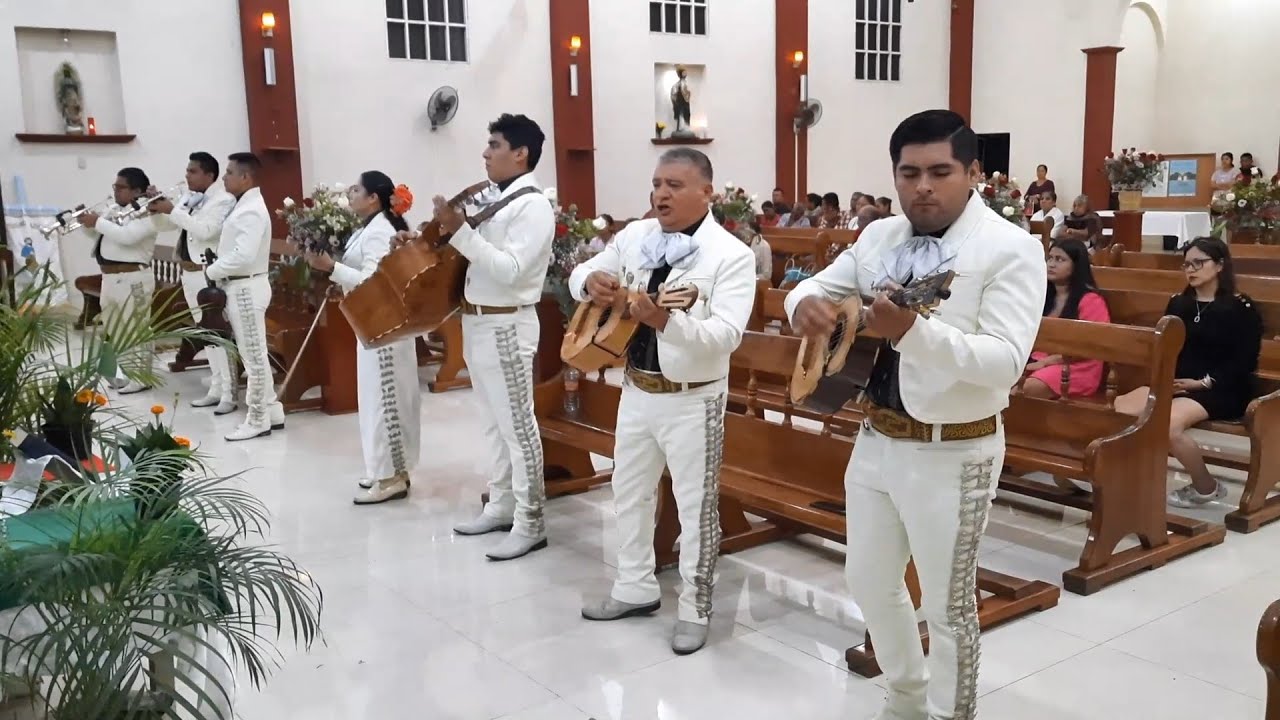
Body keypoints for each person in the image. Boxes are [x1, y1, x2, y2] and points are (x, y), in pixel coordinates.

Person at [786, 109, 1045, 720]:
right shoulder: (879, 237)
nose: (922, 186)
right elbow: (813, 285)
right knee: (869, 581)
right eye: (909, 173)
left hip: (956, 447)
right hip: (876, 436)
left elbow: (1005, 362)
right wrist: (801, 305)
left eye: (939, 171)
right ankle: (904, 700)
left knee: (950, 607)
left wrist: (912, 334)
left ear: (974, 172)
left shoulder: (1010, 249)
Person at [572, 147, 755, 655]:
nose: (661, 194)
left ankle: (696, 608)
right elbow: (582, 272)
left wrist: (663, 320)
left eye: (674, 184)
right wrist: (590, 280)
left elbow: (725, 337)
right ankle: (633, 587)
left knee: (695, 507)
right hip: (636, 388)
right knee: (628, 492)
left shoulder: (730, 255)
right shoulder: (636, 236)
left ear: (706, 192)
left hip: (692, 399)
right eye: (656, 183)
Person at [443, 113, 556, 562]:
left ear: (520, 153)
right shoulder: (500, 200)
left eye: (494, 145)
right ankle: (503, 504)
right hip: (479, 321)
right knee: (493, 424)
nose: (486, 153)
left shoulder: (533, 206)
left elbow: (510, 270)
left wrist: (462, 233)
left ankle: (531, 522)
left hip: (508, 324)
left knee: (518, 427)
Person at [1115, 237, 1262, 508]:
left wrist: (1202, 383)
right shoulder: (1179, 304)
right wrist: (1166, 381)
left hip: (1222, 388)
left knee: (1166, 425)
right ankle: (1130, 477)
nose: (1191, 270)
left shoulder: (1240, 308)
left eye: (1198, 263)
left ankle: (1207, 487)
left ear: (1219, 266)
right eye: (1186, 264)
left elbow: (1244, 361)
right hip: (1178, 383)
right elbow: (1167, 348)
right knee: (1122, 406)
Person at [305, 172, 421, 504]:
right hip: (372, 324)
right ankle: (385, 468)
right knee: (376, 401)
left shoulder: (380, 231)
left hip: (385, 326)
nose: (350, 194)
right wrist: (336, 273)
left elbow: (374, 283)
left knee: (386, 401)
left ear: (373, 198)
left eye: (356, 189)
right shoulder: (369, 228)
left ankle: (391, 477)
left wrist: (333, 268)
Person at [148, 152, 238, 413]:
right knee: (203, 331)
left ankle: (229, 392)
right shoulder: (190, 198)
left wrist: (172, 210)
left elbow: (205, 231)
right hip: (187, 273)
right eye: (187, 170)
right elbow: (167, 226)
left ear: (209, 175)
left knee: (217, 332)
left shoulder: (223, 200)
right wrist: (156, 208)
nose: (187, 175)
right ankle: (216, 387)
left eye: (193, 171)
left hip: (207, 272)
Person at [205, 152, 284, 442]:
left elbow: (244, 254)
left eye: (228, 172)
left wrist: (213, 269)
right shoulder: (244, 205)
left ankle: (258, 418)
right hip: (241, 287)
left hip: (247, 288)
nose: (223, 177)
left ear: (245, 177)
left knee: (253, 357)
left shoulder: (251, 211)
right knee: (255, 353)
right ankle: (273, 410)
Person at [81, 167, 164, 395]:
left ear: (136, 190)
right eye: (114, 186)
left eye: (121, 187)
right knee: (113, 327)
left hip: (133, 277)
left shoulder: (148, 212)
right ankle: (122, 374)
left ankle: (141, 376)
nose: (116, 191)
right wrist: (87, 223)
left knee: (136, 327)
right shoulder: (115, 209)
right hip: (110, 276)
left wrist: (97, 221)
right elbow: (100, 234)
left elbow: (128, 237)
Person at [1022, 239, 1111, 399]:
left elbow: (1093, 345)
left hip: (1077, 366)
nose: (1051, 264)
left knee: (1026, 389)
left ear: (1076, 266)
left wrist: (1047, 362)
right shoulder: (1043, 296)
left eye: (1060, 259)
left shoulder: (1091, 300)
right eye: (1050, 258)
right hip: (1040, 359)